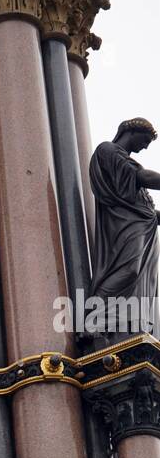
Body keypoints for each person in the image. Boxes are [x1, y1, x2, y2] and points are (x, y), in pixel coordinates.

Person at [86, 119, 160, 340]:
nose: (145, 147)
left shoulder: (127, 164)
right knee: (128, 271)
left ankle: (125, 326)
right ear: (129, 130)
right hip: (124, 226)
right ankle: (92, 318)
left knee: (144, 283)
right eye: (145, 140)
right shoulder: (108, 150)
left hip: (145, 230)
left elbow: (148, 211)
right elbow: (143, 177)